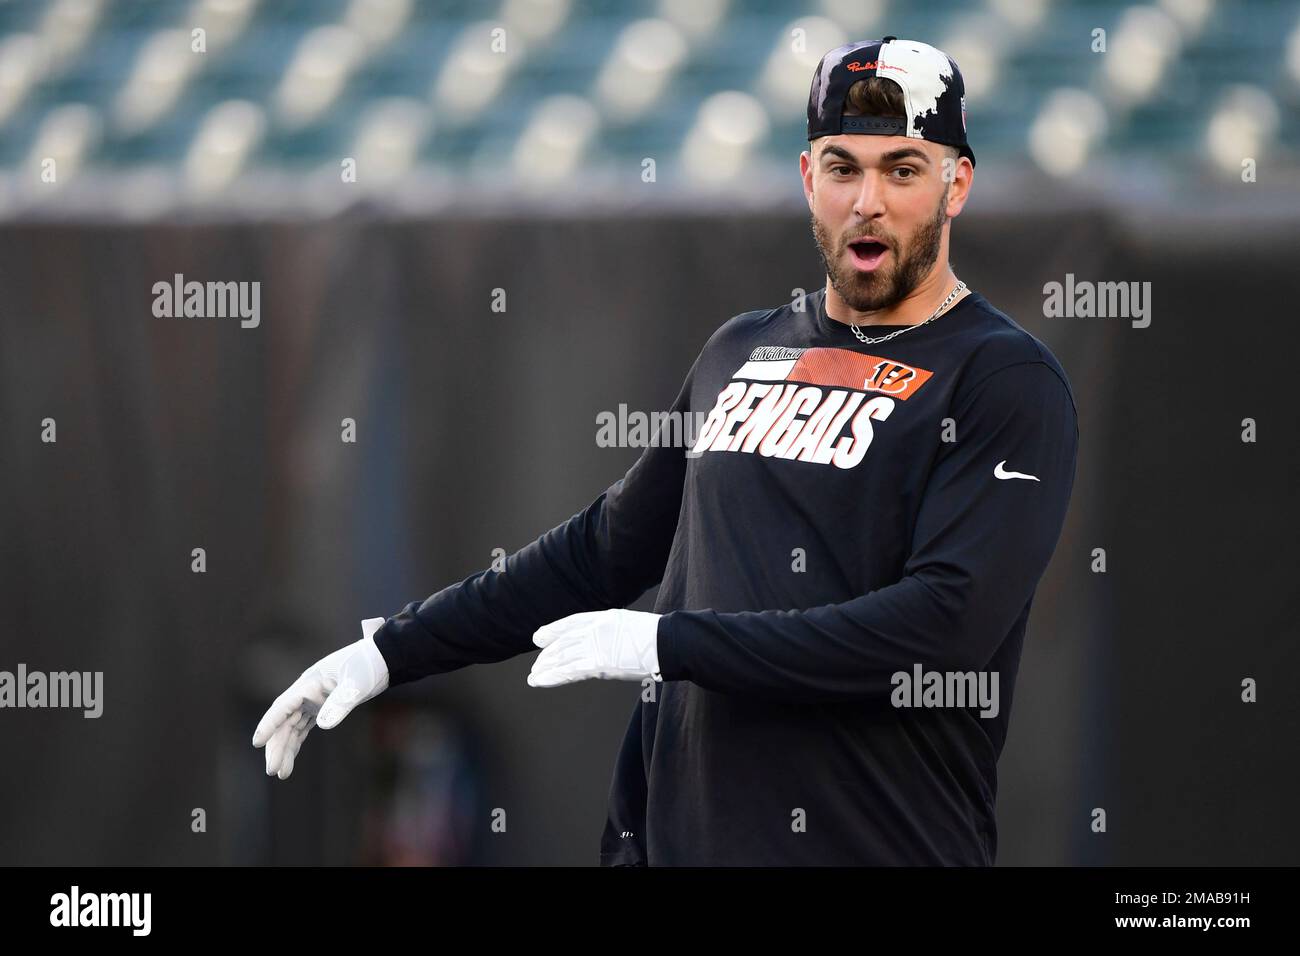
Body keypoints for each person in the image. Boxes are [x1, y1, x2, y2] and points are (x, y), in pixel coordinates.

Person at [254, 37, 1079, 866]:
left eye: (902, 169)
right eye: (842, 167)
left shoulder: (1001, 379)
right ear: (806, 179)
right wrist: (390, 651)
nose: (867, 201)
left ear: (955, 183)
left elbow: (942, 629)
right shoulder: (742, 350)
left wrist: (669, 643)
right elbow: (603, 550)